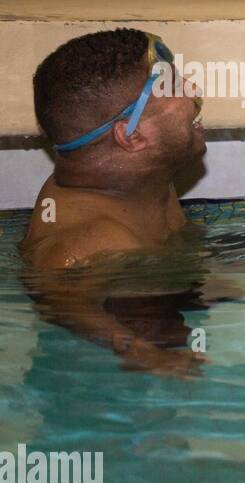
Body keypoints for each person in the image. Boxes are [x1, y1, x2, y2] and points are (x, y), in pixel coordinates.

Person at [19, 29, 214, 377]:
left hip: (162, 294)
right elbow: (58, 299)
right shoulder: (89, 242)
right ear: (132, 135)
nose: (194, 90)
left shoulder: (136, 180)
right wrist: (139, 351)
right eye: (172, 88)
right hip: (114, 386)